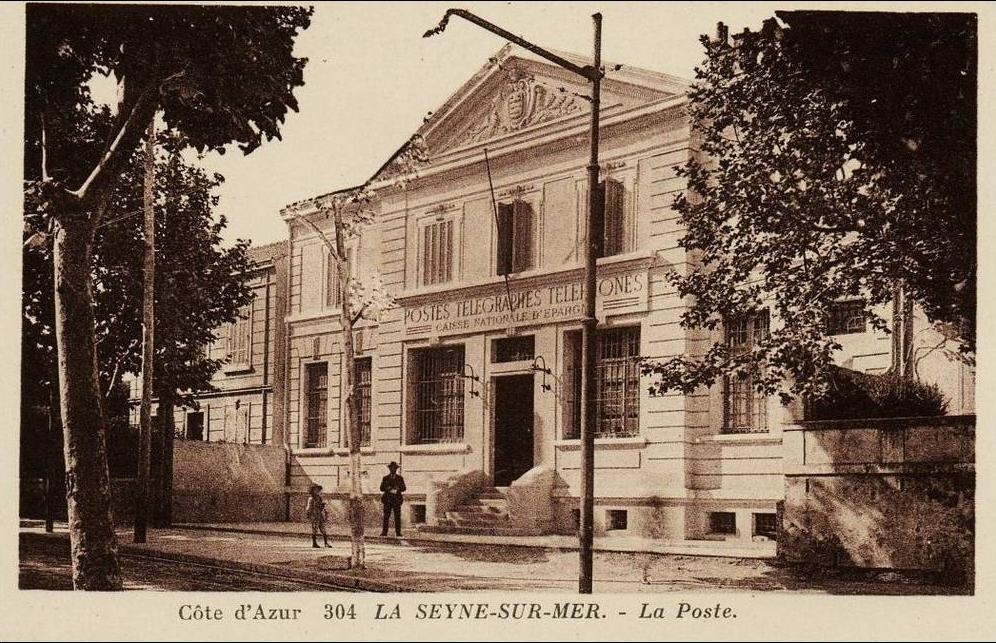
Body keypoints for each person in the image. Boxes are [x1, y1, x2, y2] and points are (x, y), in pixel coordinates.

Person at [379, 461, 406, 537]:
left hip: (397, 501)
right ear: (389, 469)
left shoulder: (400, 478)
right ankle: (384, 532)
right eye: (391, 468)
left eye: (394, 468)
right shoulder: (385, 478)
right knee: (386, 517)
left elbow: (404, 488)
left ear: (396, 469)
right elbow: (381, 488)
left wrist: (398, 488)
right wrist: (388, 488)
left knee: (397, 517)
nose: (392, 469)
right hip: (387, 500)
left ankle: (398, 533)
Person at [306, 484, 332, 548]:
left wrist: (323, 506)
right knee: (314, 530)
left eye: (318, 490)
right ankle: (314, 543)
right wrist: (309, 515)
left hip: (319, 515)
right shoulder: (311, 499)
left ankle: (326, 543)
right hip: (314, 516)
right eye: (315, 490)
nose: (317, 491)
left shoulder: (319, 498)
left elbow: (320, 507)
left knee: (323, 529)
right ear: (312, 491)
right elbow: (308, 508)